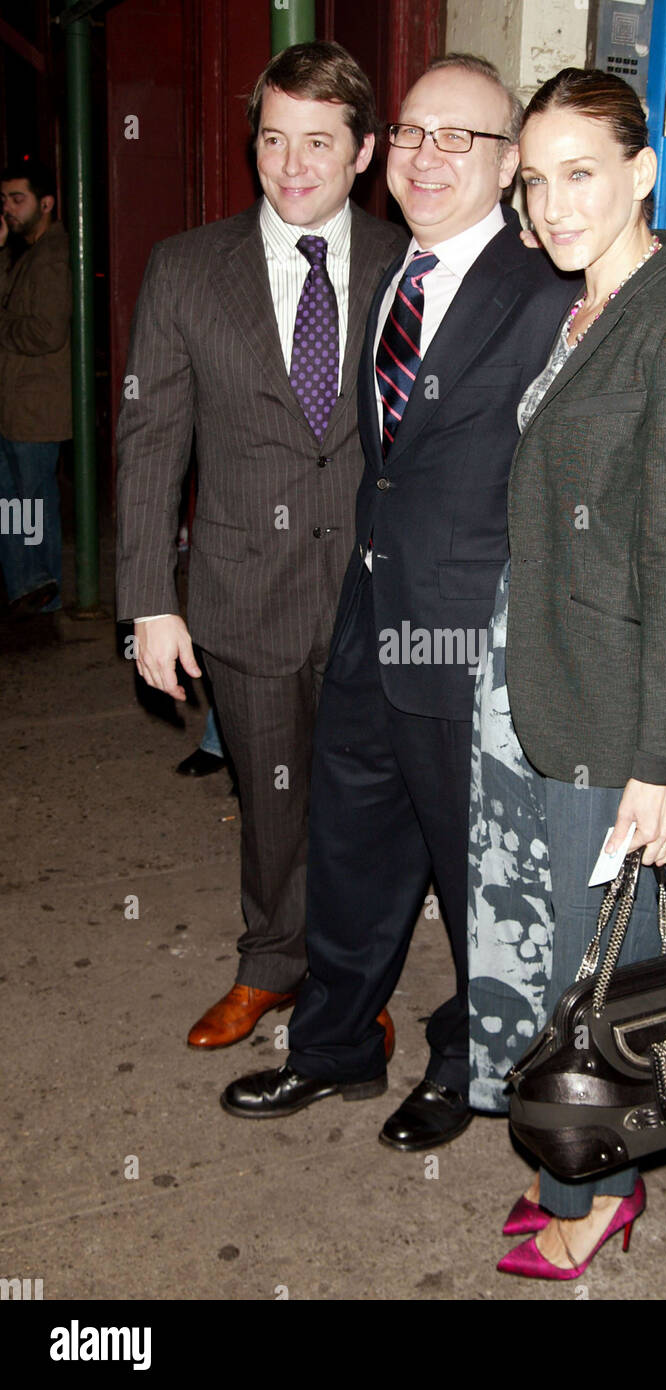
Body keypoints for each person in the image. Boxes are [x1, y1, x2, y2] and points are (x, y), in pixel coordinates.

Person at [220, 55, 666, 1150]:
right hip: (369, 616)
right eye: (412, 132)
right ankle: (332, 1047)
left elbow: (637, 438)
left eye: (461, 137)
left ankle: (468, 1066)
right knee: (351, 850)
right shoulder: (367, 267)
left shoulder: (553, 279)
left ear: (505, 164)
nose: (426, 155)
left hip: (479, 647)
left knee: (477, 886)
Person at [465, 68, 666, 1280]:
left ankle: (601, 1187)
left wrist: (656, 766)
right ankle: (562, 1165)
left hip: (606, 701)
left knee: (607, 968)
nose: (551, 201)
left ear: (641, 171)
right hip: (542, 673)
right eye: (533, 178)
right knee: (565, 951)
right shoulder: (581, 307)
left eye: (580, 172)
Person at [116, 42, 407, 1050]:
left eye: (318, 143)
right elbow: (151, 439)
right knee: (273, 793)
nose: (292, 165)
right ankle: (270, 964)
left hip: (375, 599)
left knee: (363, 805)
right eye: (274, 139)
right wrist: (150, 602)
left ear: (362, 151)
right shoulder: (188, 268)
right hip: (244, 596)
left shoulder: (407, 264)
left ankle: (349, 975)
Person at [0, 159, 71, 618]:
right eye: (3, 200)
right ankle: (27, 581)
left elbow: (46, 333)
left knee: (30, 499)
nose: (7, 208)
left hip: (35, 406)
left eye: (17, 199)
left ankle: (43, 585)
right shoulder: (26, 253)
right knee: (13, 501)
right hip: (16, 403)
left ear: (45, 204)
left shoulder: (54, 255)